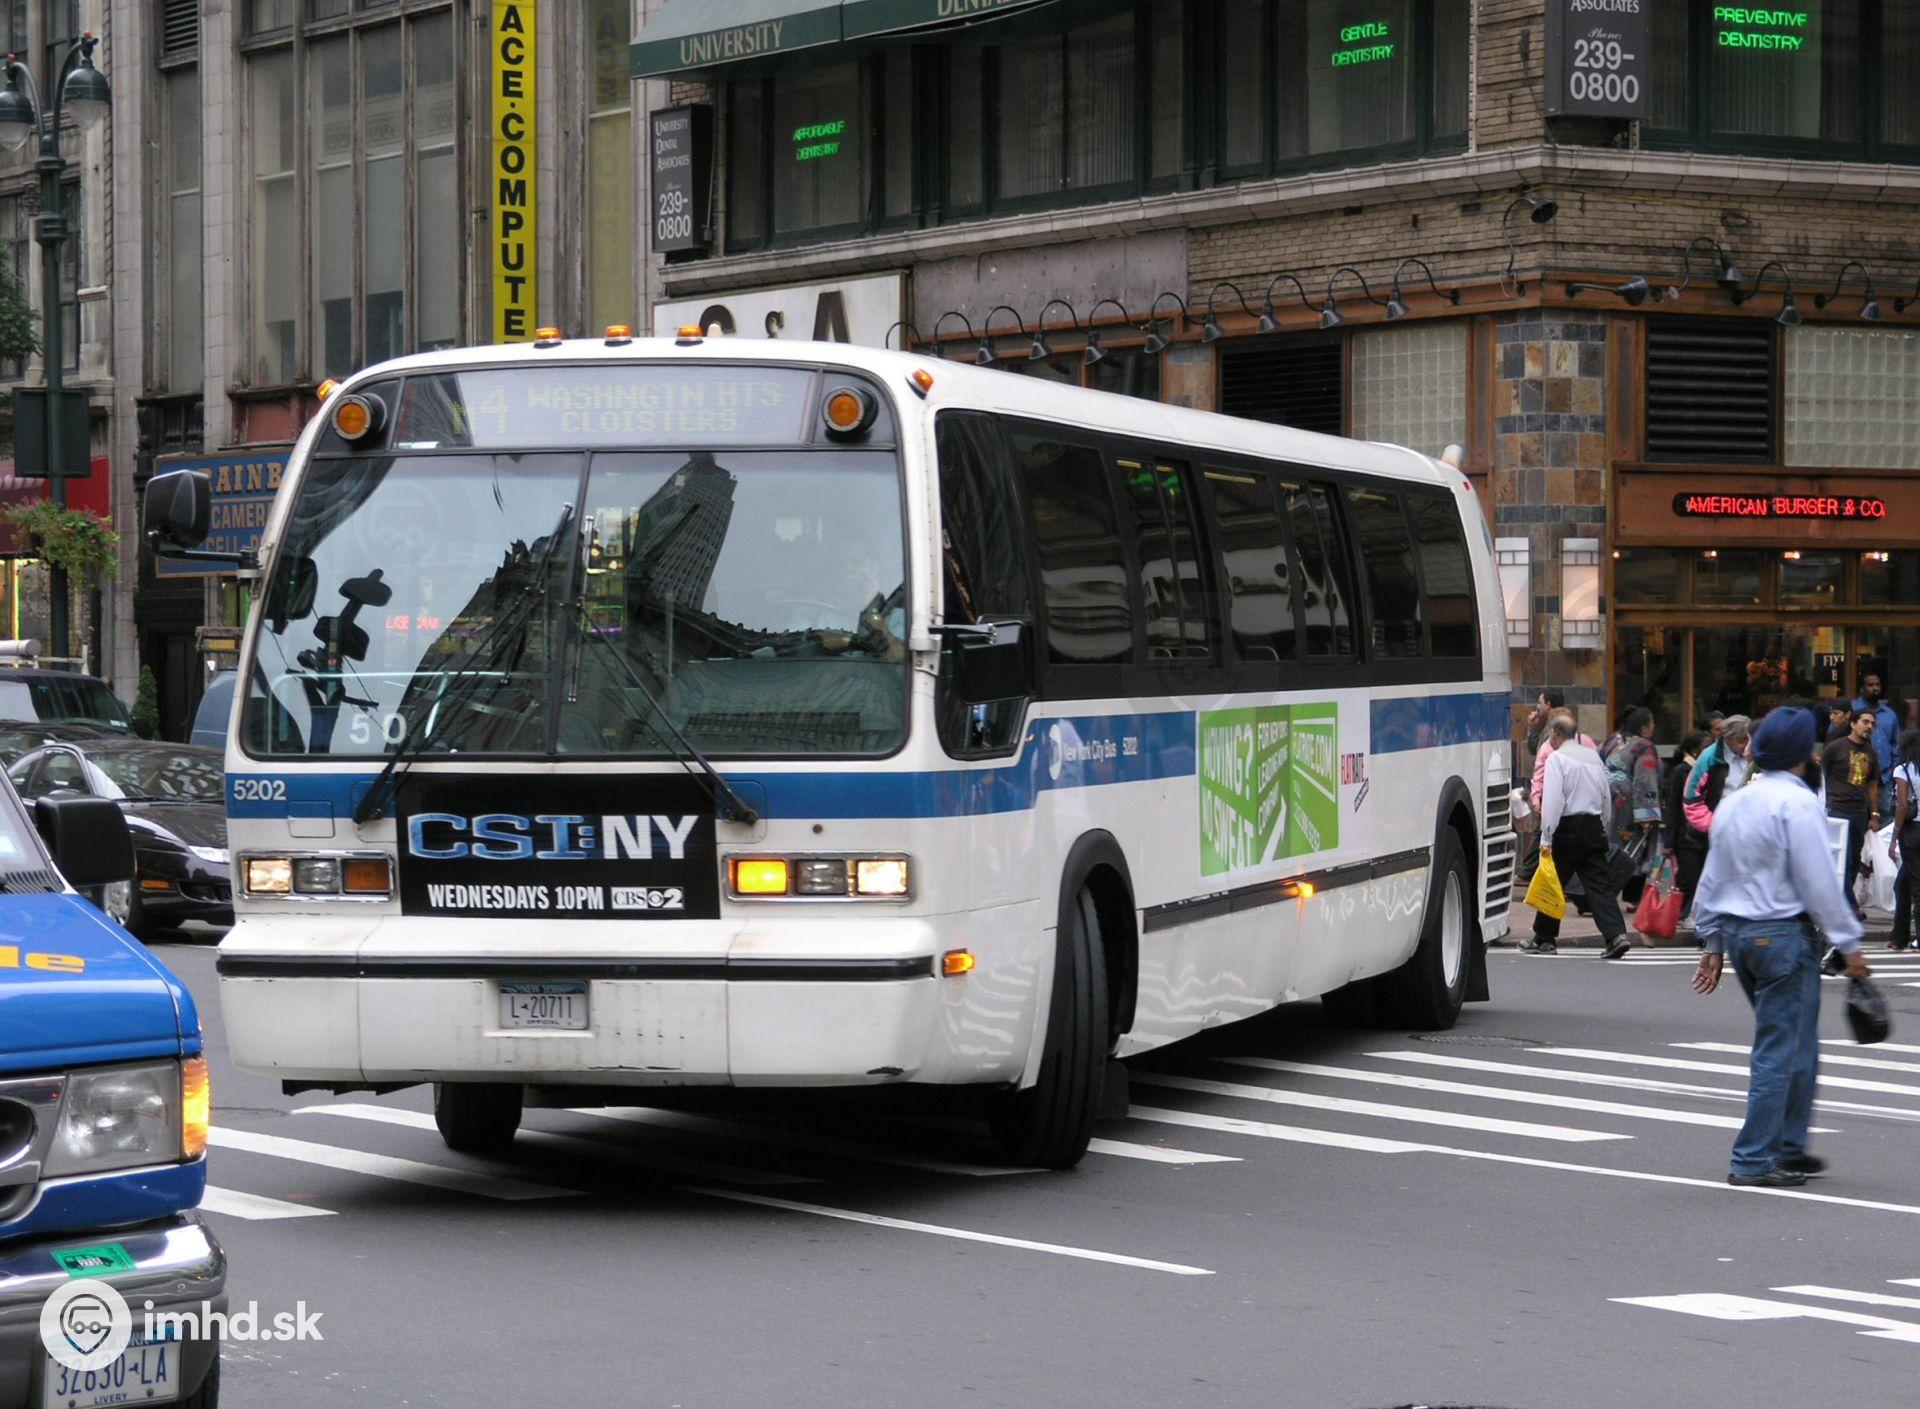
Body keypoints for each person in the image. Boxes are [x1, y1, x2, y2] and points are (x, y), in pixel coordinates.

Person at [1691, 707, 1870, 1188]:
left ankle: (1790, 1147)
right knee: (1780, 1047)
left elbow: (1713, 878)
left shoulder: (1735, 802)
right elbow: (1819, 883)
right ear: (1802, 755)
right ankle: (1753, 1158)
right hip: (1783, 936)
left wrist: (1712, 941)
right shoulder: (1798, 804)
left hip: (1742, 936)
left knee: (1797, 1043)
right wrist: (1850, 945)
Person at [1524, 714, 1631, 960]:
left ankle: (1544, 937)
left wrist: (1546, 836)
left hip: (1567, 827)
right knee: (1599, 884)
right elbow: (1606, 795)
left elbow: (1553, 800)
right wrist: (1603, 824)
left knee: (1554, 882)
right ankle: (1616, 935)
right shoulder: (1593, 757)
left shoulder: (1557, 759)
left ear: (1554, 733)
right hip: (1593, 826)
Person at [1822, 707, 1882, 919]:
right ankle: (1849, 906)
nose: (1869, 727)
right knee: (1843, 859)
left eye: (1872, 724)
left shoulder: (1871, 753)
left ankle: (1842, 902)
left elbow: (1872, 785)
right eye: (1865, 722)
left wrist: (1874, 814)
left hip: (1859, 811)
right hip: (1838, 809)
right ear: (1853, 723)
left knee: (1855, 860)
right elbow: (1822, 775)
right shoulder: (1835, 748)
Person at [1600, 706, 1662, 901]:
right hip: (1628, 807)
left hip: (1608, 804)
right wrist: (1648, 814)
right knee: (1635, 847)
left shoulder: (1613, 740)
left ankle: (1603, 891)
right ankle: (1632, 898)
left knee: (1613, 843)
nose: (1653, 727)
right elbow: (1645, 779)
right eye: (1651, 723)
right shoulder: (1644, 746)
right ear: (1644, 727)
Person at [1662, 729, 1711, 929]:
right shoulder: (1681, 771)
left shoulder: (1706, 770)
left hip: (1701, 834)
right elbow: (1673, 806)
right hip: (1685, 836)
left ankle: (1687, 913)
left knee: (1700, 876)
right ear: (1694, 750)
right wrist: (1669, 841)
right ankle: (1681, 914)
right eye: (1705, 747)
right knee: (1689, 878)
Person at [1889, 729, 1920, 952]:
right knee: (1902, 884)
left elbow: (1902, 804)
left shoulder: (1903, 770)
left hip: (1912, 831)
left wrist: (1894, 836)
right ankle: (1898, 936)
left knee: (1916, 886)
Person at [1854, 673, 1900, 777]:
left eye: (1877, 685)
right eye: (1870, 685)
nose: (1875, 688)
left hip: (1886, 777)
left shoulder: (1889, 714)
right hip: (1858, 776)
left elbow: (1895, 745)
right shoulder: (1852, 710)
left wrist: (1894, 770)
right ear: (1862, 689)